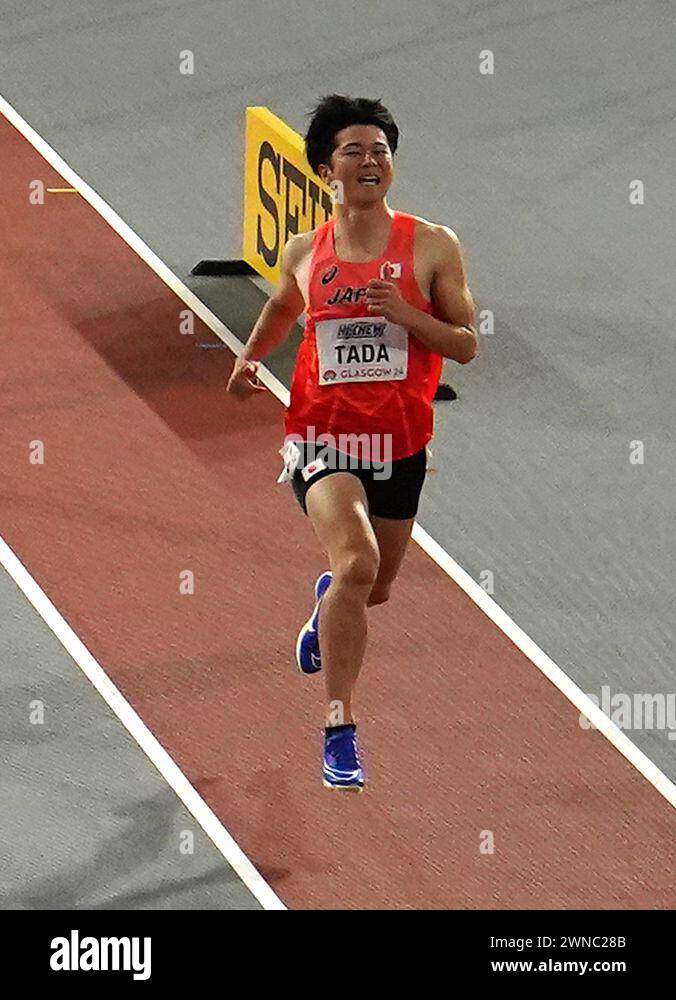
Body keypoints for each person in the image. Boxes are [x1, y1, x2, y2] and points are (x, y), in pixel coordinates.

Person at [227, 95, 477, 792]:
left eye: (380, 151)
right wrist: (251, 358)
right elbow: (282, 304)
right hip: (321, 438)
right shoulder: (306, 251)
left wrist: (406, 315)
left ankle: (325, 604)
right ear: (324, 169)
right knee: (359, 560)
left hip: (399, 442)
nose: (370, 162)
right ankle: (340, 729)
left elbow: (466, 345)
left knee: (374, 588)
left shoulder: (432, 245)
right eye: (353, 151)